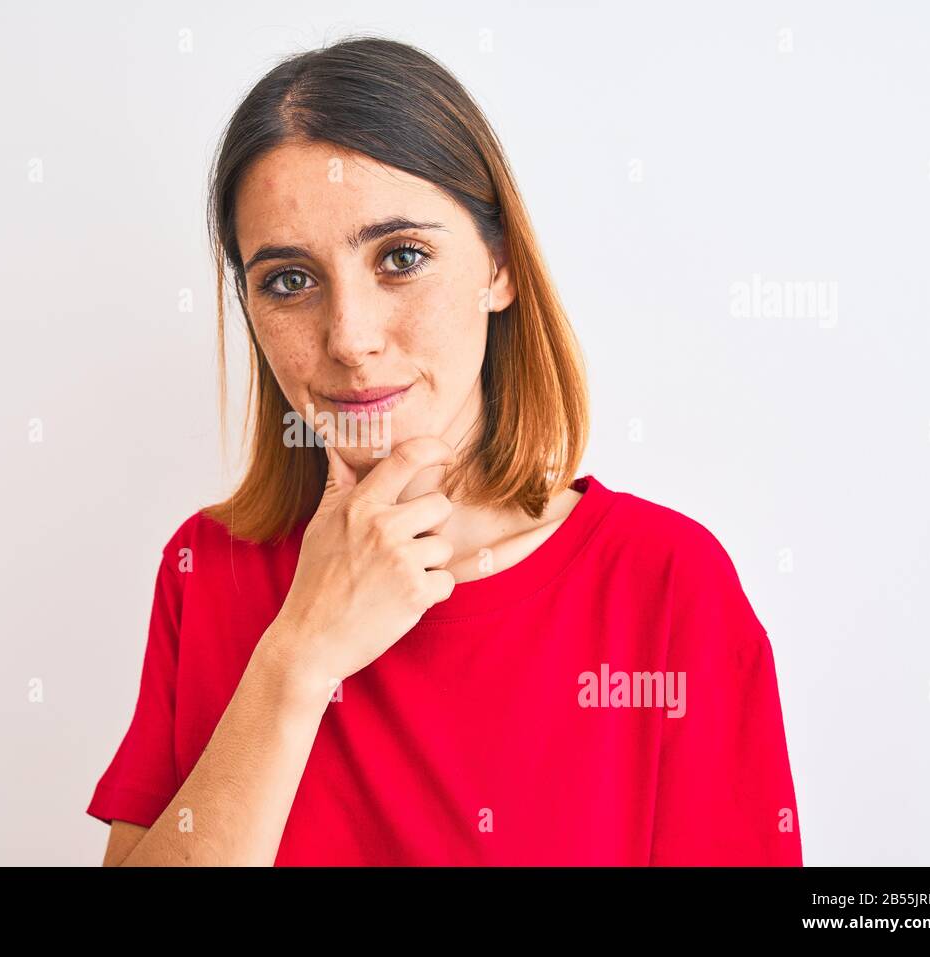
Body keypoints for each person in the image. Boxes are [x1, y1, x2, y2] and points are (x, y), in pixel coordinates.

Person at [87, 35, 802, 866]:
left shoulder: (667, 584)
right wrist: (300, 654)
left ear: (498, 265)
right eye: (288, 279)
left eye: (401, 258)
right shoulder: (208, 570)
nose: (351, 339)